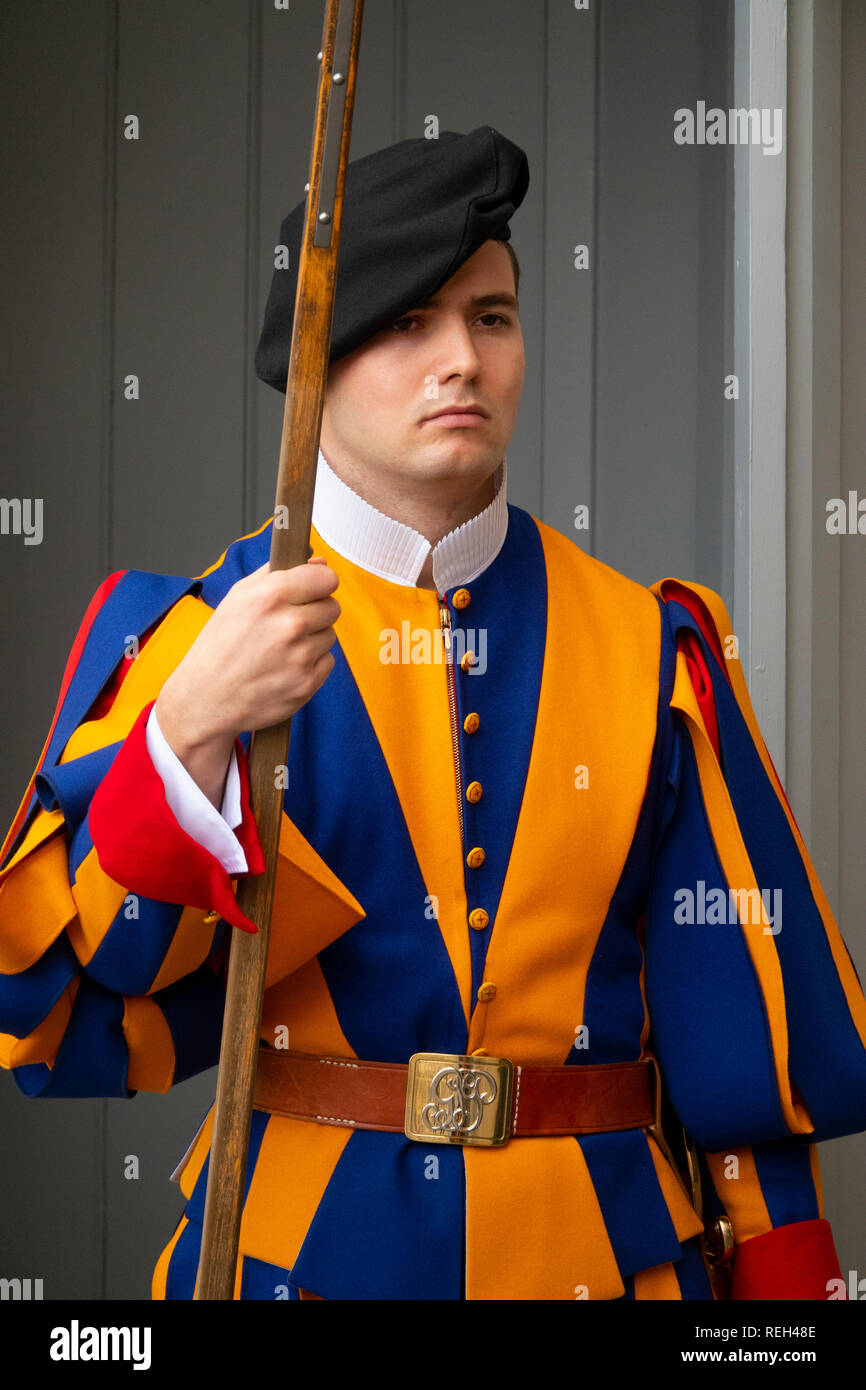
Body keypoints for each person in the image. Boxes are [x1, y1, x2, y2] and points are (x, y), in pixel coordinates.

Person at [1, 126, 865, 1302]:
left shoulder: (653, 649)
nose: (459, 358)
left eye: (493, 316)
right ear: (316, 355)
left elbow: (745, 1066)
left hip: (613, 1267)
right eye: (409, 320)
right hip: (291, 1265)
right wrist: (185, 733)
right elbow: (51, 1007)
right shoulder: (187, 637)